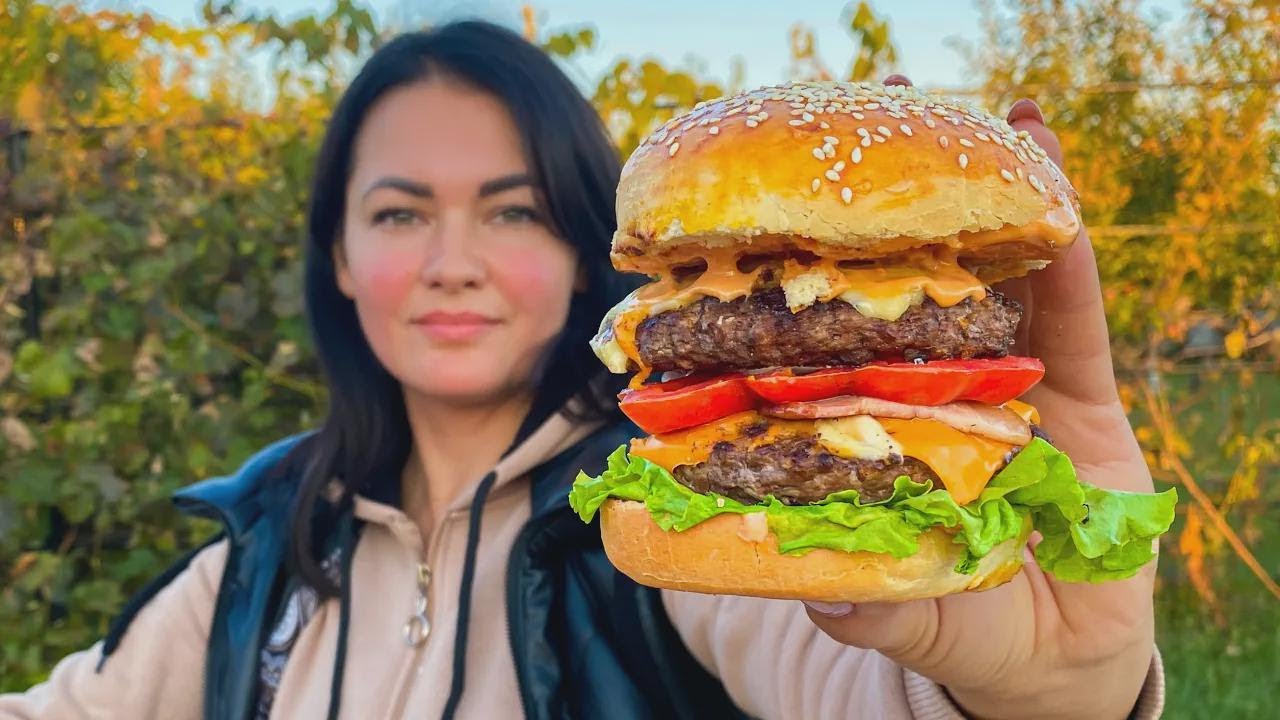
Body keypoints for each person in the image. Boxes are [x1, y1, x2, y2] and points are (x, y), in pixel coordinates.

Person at [0, 22, 1163, 720]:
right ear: (340, 262)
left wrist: (1051, 691)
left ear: (582, 254)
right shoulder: (260, 554)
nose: (452, 264)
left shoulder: (690, 536)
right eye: (400, 214)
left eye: (510, 213)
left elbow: (860, 682)